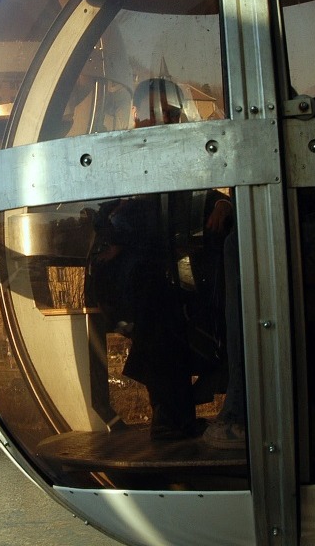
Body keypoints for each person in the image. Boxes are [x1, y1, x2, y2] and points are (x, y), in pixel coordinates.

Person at [86, 77, 233, 440]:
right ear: (136, 114)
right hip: (124, 278)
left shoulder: (181, 156)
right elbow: (113, 212)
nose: (163, 122)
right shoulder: (117, 155)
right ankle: (181, 407)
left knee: (170, 296)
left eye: (170, 114)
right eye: (156, 113)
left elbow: (193, 197)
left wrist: (223, 203)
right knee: (161, 298)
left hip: (164, 274)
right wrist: (118, 236)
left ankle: (173, 413)